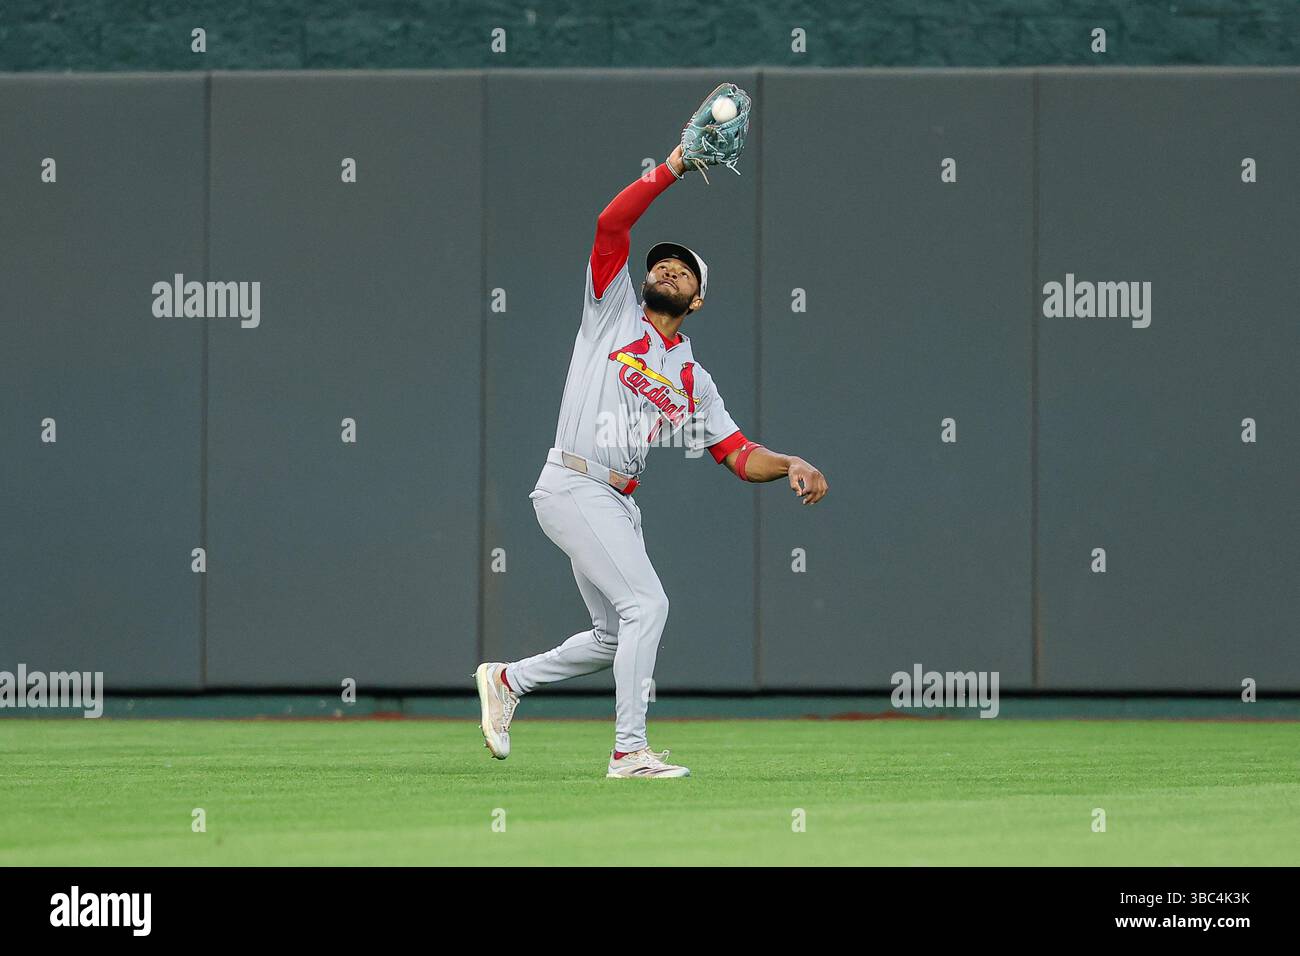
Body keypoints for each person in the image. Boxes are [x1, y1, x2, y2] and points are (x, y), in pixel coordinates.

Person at [475, 142, 828, 779]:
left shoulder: (692, 377)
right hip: (574, 481)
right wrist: (674, 167)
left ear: (696, 301)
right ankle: (629, 751)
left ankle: (507, 680)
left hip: (616, 500)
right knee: (650, 606)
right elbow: (611, 225)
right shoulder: (609, 312)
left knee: (614, 635)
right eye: (662, 263)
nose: (667, 270)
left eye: (682, 271)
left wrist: (791, 463)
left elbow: (736, 453)